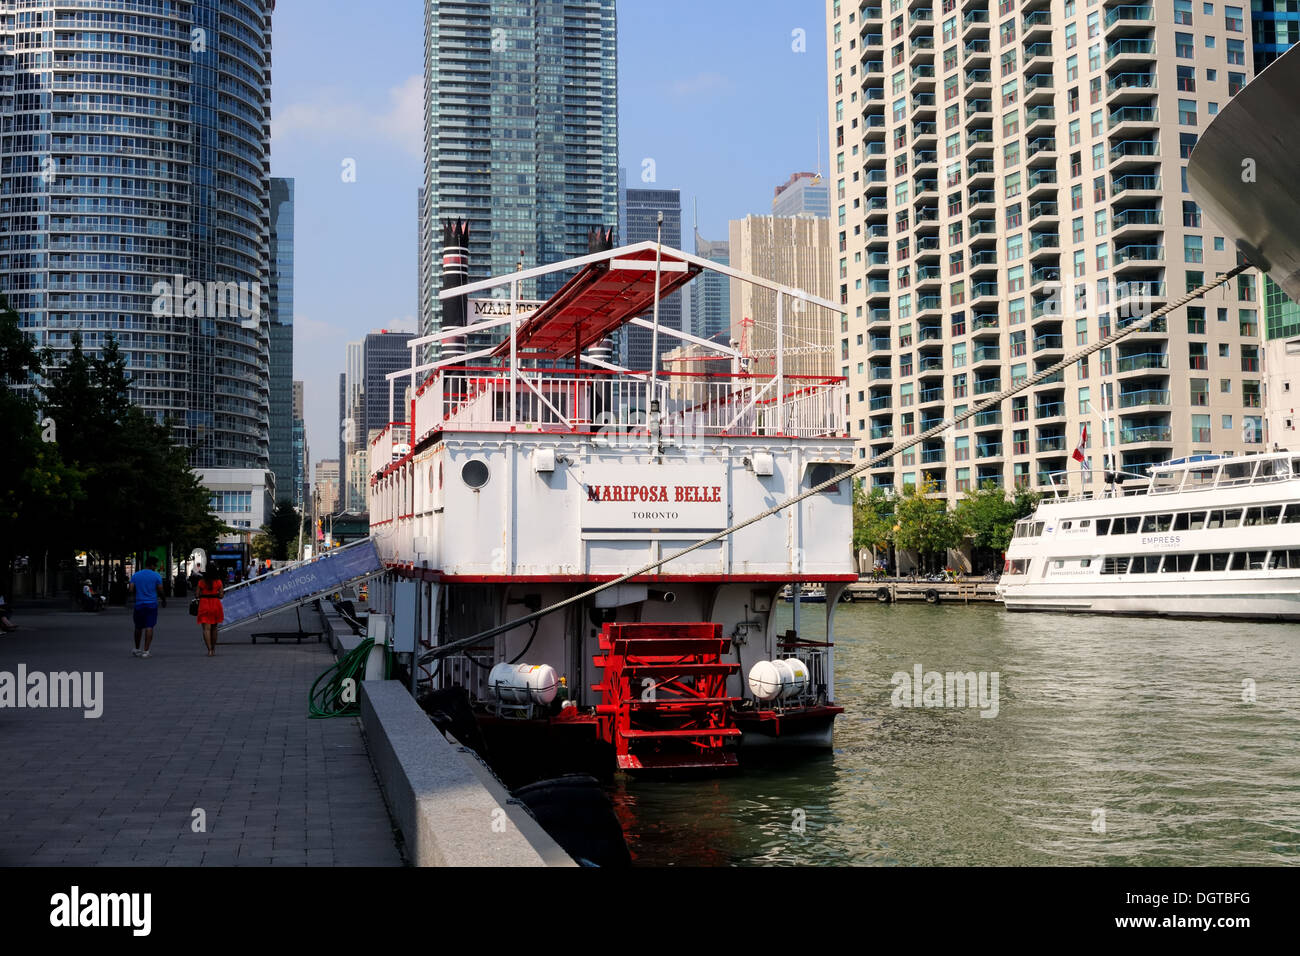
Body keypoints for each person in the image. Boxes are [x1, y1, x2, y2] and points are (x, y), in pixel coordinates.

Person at [128, 557, 166, 658]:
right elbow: (160, 590)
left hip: (139, 604)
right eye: (155, 565)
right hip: (151, 604)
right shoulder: (156, 576)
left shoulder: (136, 575)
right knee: (149, 626)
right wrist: (163, 600)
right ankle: (146, 651)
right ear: (152, 565)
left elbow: (131, 589)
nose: (156, 567)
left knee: (138, 627)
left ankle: (136, 649)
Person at [195, 565, 224, 657]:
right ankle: (214, 648)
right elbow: (221, 595)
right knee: (214, 628)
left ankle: (209, 650)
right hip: (215, 605)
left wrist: (202, 593)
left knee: (206, 629)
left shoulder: (201, 582)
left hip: (204, 605)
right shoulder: (218, 582)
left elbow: (197, 595)